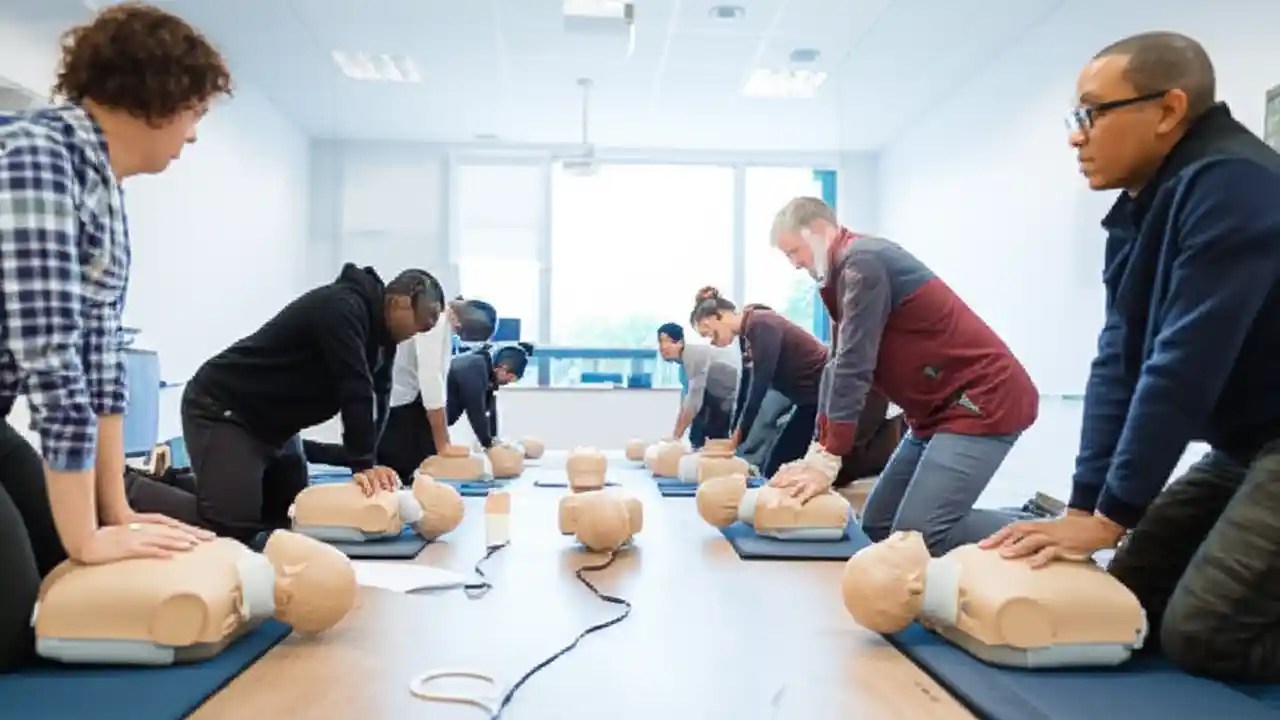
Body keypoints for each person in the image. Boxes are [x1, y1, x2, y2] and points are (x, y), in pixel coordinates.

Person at [983, 32, 1280, 682]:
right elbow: (1118, 365)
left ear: (1169, 109)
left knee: (1205, 636)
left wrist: (1117, 512)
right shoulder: (1140, 210)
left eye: (1092, 113)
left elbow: (1182, 364)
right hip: (1245, 447)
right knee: (1129, 600)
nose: (1075, 136)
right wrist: (1086, 508)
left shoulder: (1234, 184)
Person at [0, 4, 229, 671]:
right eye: (195, 113)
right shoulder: (35, 155)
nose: (192, 137)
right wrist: (88, 535)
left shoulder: (104, 185)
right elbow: (51, 362)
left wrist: (115, 511)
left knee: (61, 564)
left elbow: (100, 369)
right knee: (12, 626)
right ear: (160, 97)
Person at [766, 195, 1039, 556]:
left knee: (924, 535)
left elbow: (854, 364)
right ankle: (1028, 519)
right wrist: (818, 449)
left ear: (818, 231)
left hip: (982, 400)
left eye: (793, 251)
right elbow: (836, 366)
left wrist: (829, 459)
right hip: (933, 414)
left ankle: (1055, 528)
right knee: (878, 527)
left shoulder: (864, 261)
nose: (794, 263)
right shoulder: (838, 276)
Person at [130, 264, 446, 545]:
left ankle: (178, 481)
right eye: (424, 321)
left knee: (288, 516)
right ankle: (123, 487)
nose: (422, 331)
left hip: (276, 426)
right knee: (230, 528)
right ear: (401, 301)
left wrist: (371, 460)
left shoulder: (383, 338)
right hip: (225, 408)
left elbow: (379, 397)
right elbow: (355, 387)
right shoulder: (343, 308)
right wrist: (362, 464)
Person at [691, 288, 899, 482]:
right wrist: (733, 433)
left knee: (831, 466)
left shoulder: (762, 324)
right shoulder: (747, 335)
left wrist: (738, 436)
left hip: (829, 396)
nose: (711, 341)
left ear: (717, 316)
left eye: (708, 332)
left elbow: (759, 386)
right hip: (809, 403)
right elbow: (746, 388)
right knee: (776, 466)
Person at [354, 297, 497, 479]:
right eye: (460, 336)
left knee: (413, 459)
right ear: (459, 325)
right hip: (394, 399)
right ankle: (311, 450)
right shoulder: (435, 324)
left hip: (402, 397)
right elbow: (431, 380)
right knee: (396, 465)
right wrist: (443, 442)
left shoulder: (438, 314)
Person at [656, 322, 739, 448]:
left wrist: (676, 437)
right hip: (714, 396)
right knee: (696, 435)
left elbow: (694, 401)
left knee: (704, 434)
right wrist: (675, 435)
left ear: (681, 342)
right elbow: (685, 403)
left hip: (728, 395)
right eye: (661, 342)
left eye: (668, 341)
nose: (663, 347)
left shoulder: (694, 356)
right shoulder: (683, 369)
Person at [445, 342, 535, 450]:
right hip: (424, 415)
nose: (507, 383)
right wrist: (488, 444)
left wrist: (494, 438)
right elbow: (476, 411)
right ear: (503, 368)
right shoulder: (475, 368)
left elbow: (489, 409)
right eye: (509, 378)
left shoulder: (486, 370)